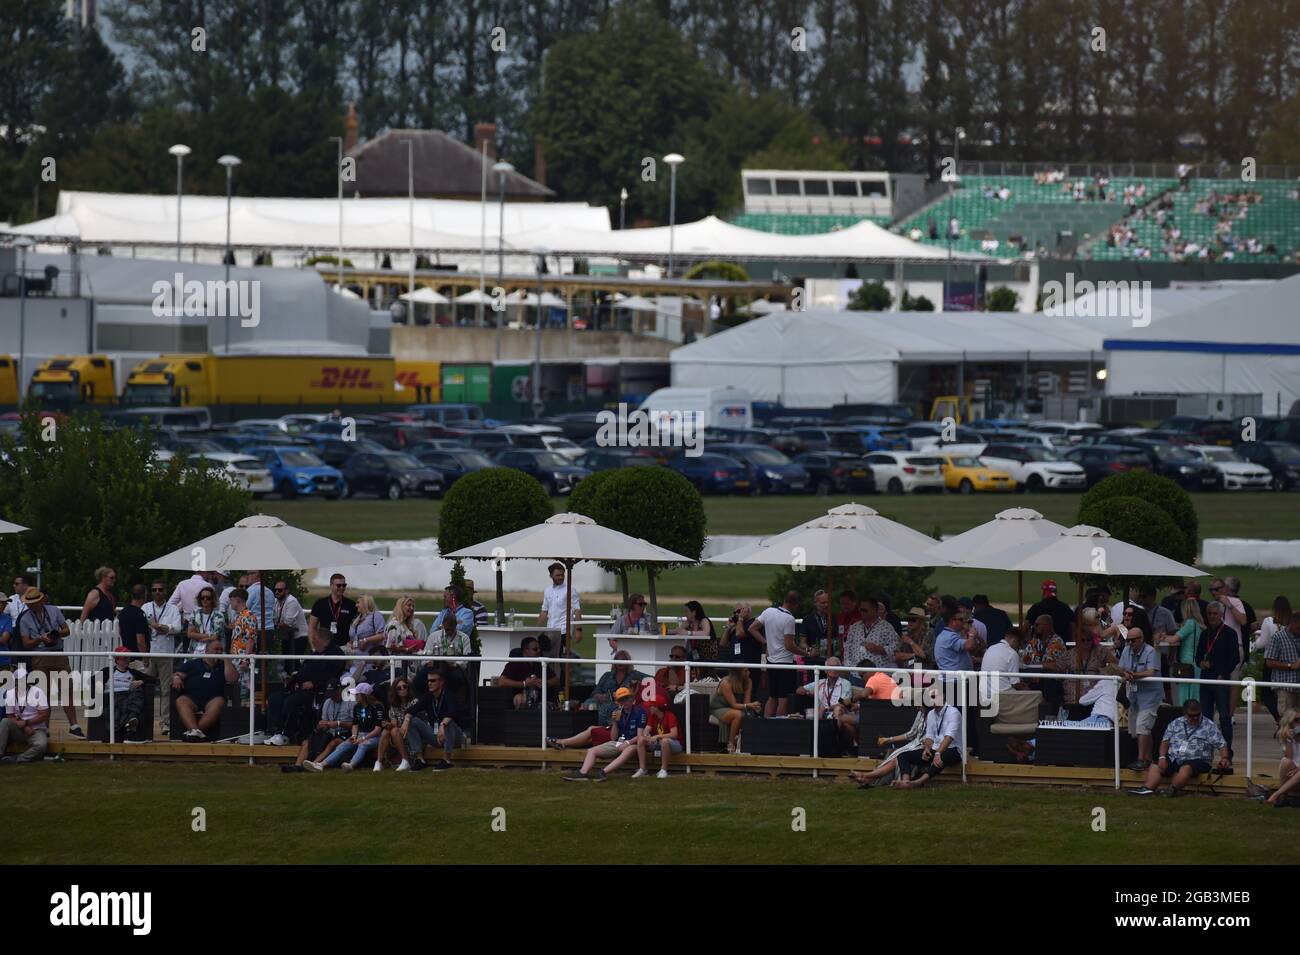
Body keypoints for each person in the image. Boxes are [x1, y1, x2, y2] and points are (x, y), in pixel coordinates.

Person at [15, 589, 83, 738]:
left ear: (41, 600)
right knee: (44, 695)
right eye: (29, 603)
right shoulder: (25, 619)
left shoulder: (53, 610)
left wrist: (56, 634)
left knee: (66, 689)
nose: (32, 606)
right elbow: (26, 643)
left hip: (58, 652)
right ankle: (44, 729)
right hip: (39, 655)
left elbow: (66, 630)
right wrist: (40, 639)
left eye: (34, 602)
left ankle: (74, 725)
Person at [264, 627, 346, 746]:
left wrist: (315, 683)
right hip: (299, 687)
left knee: (291, 702)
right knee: (274, 698)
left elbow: (332, 674)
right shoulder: (315, 653)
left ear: (324, 640)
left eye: (315, 638)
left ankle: (285, 733)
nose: (312, 641)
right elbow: (304, 670)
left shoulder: (336, 654)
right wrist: (292, 679)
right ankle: (275, 731)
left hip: (317, 691)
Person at [1132, 699, 1230, 797]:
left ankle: (1172, 790)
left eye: (1198, 714)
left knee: (1186, 768)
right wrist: (1162, 757)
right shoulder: (1176, 723)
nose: (1195, 718)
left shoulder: (1209, 725)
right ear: (1185, 713)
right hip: (1175, 757)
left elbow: (1221, 744)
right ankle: (1147, 788)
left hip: (1198, 760)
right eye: (1191, 715)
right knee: (1156, 765)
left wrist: (1224, 758)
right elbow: (1165, 742)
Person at [563, 686, 647, 781]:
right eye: (621, 700)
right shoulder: (618, 712)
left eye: (627, 699)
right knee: (592, 751)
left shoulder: (639, 711)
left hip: (635, 743)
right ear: (618, 702)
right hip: (620, 741)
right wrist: (614, 722)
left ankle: (603, 772)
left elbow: (640, 736)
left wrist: (627, 743)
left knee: (629, 749)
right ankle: (583, 773)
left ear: (632, 699)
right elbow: (613, 737)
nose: (624, 702)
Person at [1195, 601, 1240, 761]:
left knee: (1225, 717)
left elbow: (1234, 658)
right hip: (1206, 680)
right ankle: (1206, 751)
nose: (1212, 617)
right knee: (1205, 717)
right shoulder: (1204, 633)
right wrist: (1201, 662)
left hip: (1221, 679)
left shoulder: (1229, 633)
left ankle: (1227, 751)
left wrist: (1222, 672)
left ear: (1221, 615)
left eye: (1215, 614)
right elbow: (1198, 656)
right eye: (1209, 614)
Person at [401, 667, 469, 770]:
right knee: (412, 720)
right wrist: (406, 720)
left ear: (441, 682)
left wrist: (443, 725)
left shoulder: (449, 695)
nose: (429, 683)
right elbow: (412, 709)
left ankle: (446, 760)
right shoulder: (428, 697)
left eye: (433, 680)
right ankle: (420, 760)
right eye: (428, 681)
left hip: (455, 737)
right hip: (436, 736)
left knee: (447, 723)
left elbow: (452, 712)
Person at [171, 640, 237, 741]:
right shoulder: (193, 663)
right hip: (191, 697)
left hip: (213, 698)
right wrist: (176, 678)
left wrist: (227, 661)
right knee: (181, 701)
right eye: (216, 650)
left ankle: (195, 732)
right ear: (207, 651)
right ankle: (195, 731)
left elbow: (232, 679)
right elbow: (177, 674)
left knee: (220, 702)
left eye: (221, 650)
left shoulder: (223, 665)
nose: (219, 652)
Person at [849, 704, 927, 788]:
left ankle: (866, 776)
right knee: (893, 758)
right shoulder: (920, 713)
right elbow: (911, 734)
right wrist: (888, 739)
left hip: (923, 747)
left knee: (895, 759)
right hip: (914, 745)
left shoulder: (933, 715)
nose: (917, 707)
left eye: (920, 704)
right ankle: (867, 778)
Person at [891, 702, 964, 790]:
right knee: (902, 755)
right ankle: (906, 782)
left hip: (953, 749)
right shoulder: (931, 714)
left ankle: (917, 782)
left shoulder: (953, 712)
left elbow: (949, 737)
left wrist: (937, 754)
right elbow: (929, 736)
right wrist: (927, 749)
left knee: (942, 758)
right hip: (935, 748)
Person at [750, 591, 799, 716]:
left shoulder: (768, 611)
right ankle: (779, 729)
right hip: (785, 664)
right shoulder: (789, 619)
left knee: (772, 697)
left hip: (771, 661)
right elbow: (789, 645)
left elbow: (752, 628)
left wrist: (766, 643)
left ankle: (767, 727)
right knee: (783, 700)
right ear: (795, 604)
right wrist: (805, 653)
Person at [1118, 627, 1161, 771]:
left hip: (1150, 695)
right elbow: (1121, 668)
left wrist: (1134, 675)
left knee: (1143, 725)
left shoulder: (1150, 651)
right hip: (1134, 696)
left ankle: (1141, 760)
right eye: (1127, 640)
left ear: (1141, 639)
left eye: (1132, 640)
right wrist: (1124, 673)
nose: (1130, 643)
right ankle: (1148, 759)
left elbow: (1151, 672)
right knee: (1138, 729)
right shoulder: (1126, 650)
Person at [143, 580, 183, 730]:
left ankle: (165, 722)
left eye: (160, 589)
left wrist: (159, 626)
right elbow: (142, 628)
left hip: (166, 652)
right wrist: (163, 628)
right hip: (150, 652)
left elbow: (178, 628)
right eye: (154, 590)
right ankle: (144, 720)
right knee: (146, 687)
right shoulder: (146, 607)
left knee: (166, 689)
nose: (157, 592)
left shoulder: (172, 608)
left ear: (165, 591)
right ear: (151, 592)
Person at [319, 683, 384, 770]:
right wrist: (354, 736)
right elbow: (355, 724)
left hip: (374, 736)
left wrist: (363, 738)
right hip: (360, 735)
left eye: (357, 695)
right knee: (344, 745)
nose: (355, 697)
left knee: (363, 745)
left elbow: (378, 729)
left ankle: (351, 764)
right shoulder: (357, 707)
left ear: (363, 695)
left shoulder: (377, 707)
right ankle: (322, 764)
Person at [299, 681, 354, 772]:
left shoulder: (350, 702)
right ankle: (297, 766)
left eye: (334, 693)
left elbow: (356, 725)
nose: (332, 696)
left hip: (346, 733)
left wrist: (338, 723)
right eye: (329, 693)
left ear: (340, 690)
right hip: (330, 732)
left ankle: (315, 764)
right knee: (306, 742)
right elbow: (323, 724)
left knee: (333, 743)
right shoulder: (327, 702)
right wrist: (322, 725)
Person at [1065, 610, 1116, 706]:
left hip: (1094, 696)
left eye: (1088, 640)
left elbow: (1115, 664)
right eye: (1083, 640)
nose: (1086, 642)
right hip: (1074, 698)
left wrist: (1105, 671)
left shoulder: (1100, 650)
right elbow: (1058, 665)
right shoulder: (1070, 654)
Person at [0, 668, 50, 763]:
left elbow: (45, 714)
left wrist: (27, 722)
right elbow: (10, 715)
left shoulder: (37, 691)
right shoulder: (10, 693)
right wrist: (24, 726)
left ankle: (17, 759)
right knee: (4, 722)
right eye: (20, 679)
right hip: (19, 728)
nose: (23, 681)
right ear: (15, 681)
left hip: (36, 730)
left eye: (25, 678)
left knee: (41, 745)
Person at [495, 636, 559, 709]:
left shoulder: (541, 664)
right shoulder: (515, 664)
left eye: (539, 649)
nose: (539, 651)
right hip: (520, 695)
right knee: (521, 699)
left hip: (540, 697)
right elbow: (501, 681)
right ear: (526, 651)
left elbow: (556, 679)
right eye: (535, 649)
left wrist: (545, 683)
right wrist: (525, 683)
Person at [588, 650, 650, 724]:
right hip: (606, 703)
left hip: (624, 704)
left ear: (628, 662)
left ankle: (611, 726)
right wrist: (599, 696)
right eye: (618, 660)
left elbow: (651, 679)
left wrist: (637, 685)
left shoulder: (634, 675)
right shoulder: (607, 675)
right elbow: (596, 691)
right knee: (588, 703)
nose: (620, 662)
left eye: (623, 660)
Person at [104, 643, 152, 739]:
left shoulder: (132, 672)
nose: (127, 660)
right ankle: (130, 724)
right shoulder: (107, 671)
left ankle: (131, 720)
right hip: (114, 696)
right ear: (117, 660)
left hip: (129, 695)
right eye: (124, 658)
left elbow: (152, 679)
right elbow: (92, 680)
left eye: (128, 658)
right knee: (124, 705)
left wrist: (141, 681)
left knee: (137, 691)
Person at [844, 595, 901, 671]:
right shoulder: (855, 627)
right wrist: (849, 666)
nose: (861, 612)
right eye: (860, 610)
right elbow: (847, 647)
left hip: (877, 673)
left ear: (874, 610)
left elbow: (896, 647)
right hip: (856, 673)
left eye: (865, 610)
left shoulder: (886, 627)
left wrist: (879, 649)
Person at [709, 667, 760, 753]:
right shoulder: (726, 683)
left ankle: (745, 743)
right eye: (746, 671)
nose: (749, 673)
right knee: (738, 715)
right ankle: (731, 743)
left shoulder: (748, 681)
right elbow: (734, 704)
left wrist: (753, 707)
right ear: (738, 673)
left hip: (734, 707)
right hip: (719, 707)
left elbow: (746, 703)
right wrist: (750, 706)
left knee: (748, 714)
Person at [1165, 598, 1205, 706]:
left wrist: (1161, 638)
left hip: (1187, 665)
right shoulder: (1199, 624)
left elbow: (1174, 639)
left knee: (1185, 696)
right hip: (1196, 664)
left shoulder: (1190, 623)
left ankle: (1185, 718)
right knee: (1195, 695)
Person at [1263, 601, 1300, 714]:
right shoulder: (1277, 638)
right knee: (1285, 722)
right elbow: (1269, 662)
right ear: (1292, 623)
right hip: (1285, 687)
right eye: (1299, 628)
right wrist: (1290, 665)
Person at [632, 693, 682, 778]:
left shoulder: (670, 716)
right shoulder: (652, 716)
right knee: (641, 739)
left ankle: (663, 770)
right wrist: (646, 734)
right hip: (658, 742)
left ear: (656, 707)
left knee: (665, 741)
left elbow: (674, 734)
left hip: (675, 744)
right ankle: (642, 769)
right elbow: (647, 730)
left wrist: (658, 736)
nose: (649, 708)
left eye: (651, 706)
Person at [1258, 710, 1300, 806]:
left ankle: (1276, 795)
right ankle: (1283, 796)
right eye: (1297, 720)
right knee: (1285, 761)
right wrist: (1289, 739)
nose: (1299, 722)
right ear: (1289, 723)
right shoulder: (1285, 736)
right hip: (1293, 770)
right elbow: (1289, 756)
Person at [794, 656, 853, 722]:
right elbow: (799, 690)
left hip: (838, 714)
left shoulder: (845, 683)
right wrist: (810, 693)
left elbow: (843, 703)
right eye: (830, 666)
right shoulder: (820, 682)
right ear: (825, 670)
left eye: (836, 666)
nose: (834, 669)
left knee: (837, 709)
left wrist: (826, 709)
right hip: (821, 715)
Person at [375, 678, 415, 772]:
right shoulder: (394, 706)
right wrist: (388, 724)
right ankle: (379, 762)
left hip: (412, 733)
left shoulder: (414, 702)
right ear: (395, 691)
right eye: (399, 688)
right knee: (386, 731)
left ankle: (405, 760)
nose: (403, 689)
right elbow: (394, 724)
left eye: (405, 686)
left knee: (394, 730)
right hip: (399, 735)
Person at [226, 589, 258, 701]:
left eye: (231, 601)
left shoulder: (249, 616)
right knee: (237, 688)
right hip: (235, 658)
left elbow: (251, 639)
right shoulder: (239, 616)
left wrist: (245, 659)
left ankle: (247, 713)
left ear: (237, 600)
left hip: (243, 658)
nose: (230, 603)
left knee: (245, 688)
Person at [539, 562, 581, 647]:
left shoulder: (570, 590)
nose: (561, 577)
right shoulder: (547, 590)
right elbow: (544, 611)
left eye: (562, 575)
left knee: (562, 656)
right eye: (558, 575)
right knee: (549, 656)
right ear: (551, 576)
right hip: (550, 630)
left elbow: (577, 611)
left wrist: (578, 630)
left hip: (564, 631)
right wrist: (536, 629)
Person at [310, 574, 357, 648]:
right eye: (338, 585)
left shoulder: (351, 604)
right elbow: (312, 627)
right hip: (324, 645)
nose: (341, 588)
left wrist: (352, 643)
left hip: (344, 646)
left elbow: (357, 627)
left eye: (344, 585)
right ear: (331, 585)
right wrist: (314, 648)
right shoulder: (320, 603)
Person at [273, 580, 310, 665]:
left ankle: (295, 677)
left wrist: (275, 624)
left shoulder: (291, 601)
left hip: (299, 636)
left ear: (286, 590)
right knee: (287, 662)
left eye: (280, 590)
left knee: (294, 662)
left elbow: (287, 623)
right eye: (275, 590)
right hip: (288, 636)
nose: (277, 592)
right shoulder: (276, 601)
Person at [980, 625, 1023, 694]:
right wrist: (1026, 687)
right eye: (1019, 643)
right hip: (1003, 696)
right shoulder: (1012, 653)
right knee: (1037, 696)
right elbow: (1015, 684)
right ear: (1014, 639)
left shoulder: (990, 648)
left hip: (985, 694)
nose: (1019, 646)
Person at [185, 586, 225, 657]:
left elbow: (215, 637)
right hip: (195, 651)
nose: (205, 599)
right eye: (202, 597)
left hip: (213, 652)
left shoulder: (219, 615)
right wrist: (207, 635)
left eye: (208, 598)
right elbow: (190, 634)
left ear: (212, 599)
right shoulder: (195, 613)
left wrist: (197, 635)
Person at [116, 584, 151, 664]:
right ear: (144, 595)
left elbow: (121, 632)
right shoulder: (139, 614)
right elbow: (140, 641)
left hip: (126, 656)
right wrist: (146, 659)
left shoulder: (123, 612)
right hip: (137, 658)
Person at [799, 590, 830, 658]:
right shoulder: (807, 619)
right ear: (815, 603)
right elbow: (802, 643)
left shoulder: (833, 618)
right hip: (813, 659)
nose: (826, 605)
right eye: (823, 603)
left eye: (828, 602)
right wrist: (810, 649)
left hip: (830, 659)